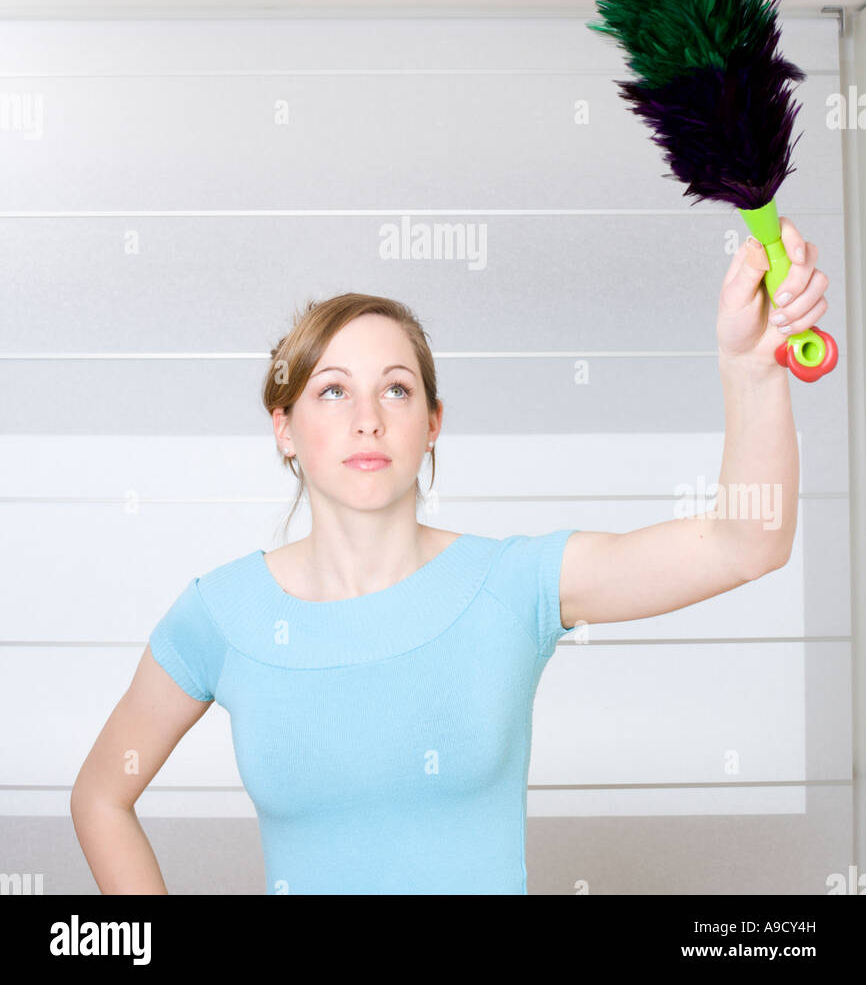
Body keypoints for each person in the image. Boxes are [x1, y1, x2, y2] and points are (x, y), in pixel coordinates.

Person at [69, 220, 828, 894]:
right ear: (284, 428)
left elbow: (747, 541)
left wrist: (751, 369)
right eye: (332, 392)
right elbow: (101, 796)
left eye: (395, 390)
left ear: (432, 424)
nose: (367, 418)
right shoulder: (220, 614)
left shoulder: (513, 584)